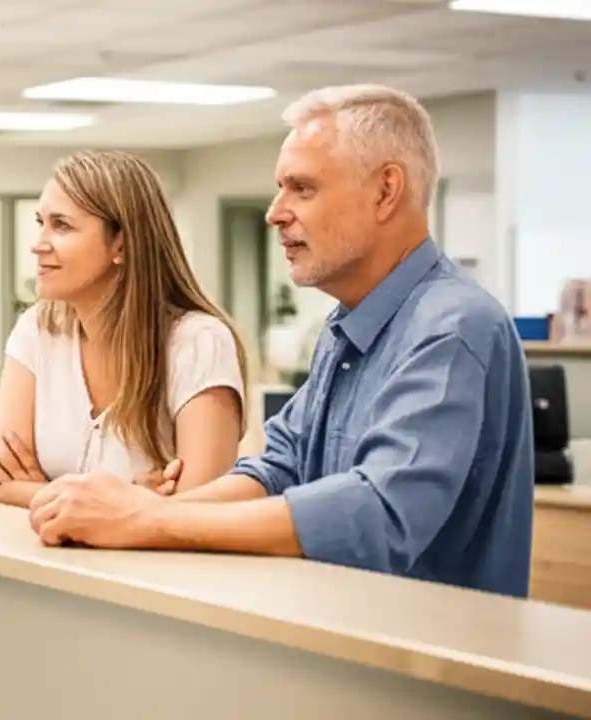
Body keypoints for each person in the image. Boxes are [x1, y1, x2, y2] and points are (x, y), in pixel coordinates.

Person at [27, 84, 535, 599]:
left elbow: (379, 514)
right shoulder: (347, 328)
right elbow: (279, 467)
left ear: (386, 191)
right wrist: (146, 512)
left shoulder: (453, 327)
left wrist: (152, 523)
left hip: (427, 661)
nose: (275, 212)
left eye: (302, 188)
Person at [0, 150, 248, 508]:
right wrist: (128, 501)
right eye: (40, 222)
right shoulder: (36, 332)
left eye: (61, 225)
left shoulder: (198, 343)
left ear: (120, 244)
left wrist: (46, 492)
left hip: (161, 566)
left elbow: (201, 509)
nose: (38, 243)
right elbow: (0, 485)